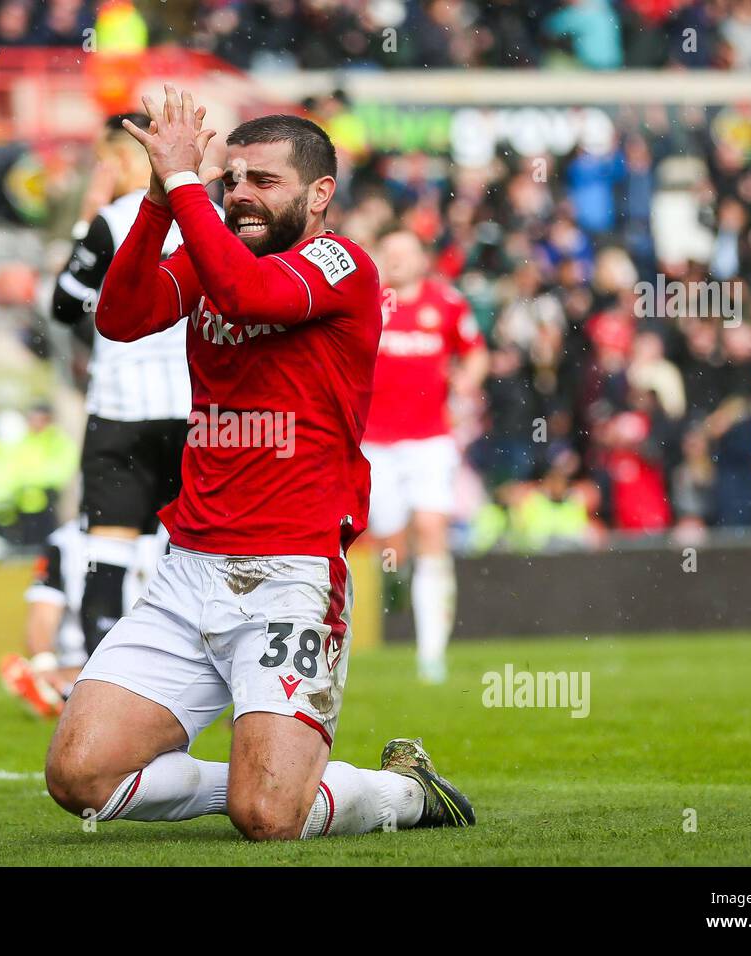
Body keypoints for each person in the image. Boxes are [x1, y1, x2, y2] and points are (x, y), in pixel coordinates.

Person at [44, 86, 476, 841]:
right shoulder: (219, 255)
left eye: (262, 181)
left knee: (271, 819)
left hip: (289, 575)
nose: (239, 195)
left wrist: (187, 188)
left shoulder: (341, 261)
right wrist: (156, 200)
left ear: (319, 194)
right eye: (230, 178)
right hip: (189, 569)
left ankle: (404, 793)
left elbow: (245, 299)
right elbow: (119, 316)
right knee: (80, 777)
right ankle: (260, 782)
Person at [50, 113, 221, 658]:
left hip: (124, 412)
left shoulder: (113, 221)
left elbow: (62, 306)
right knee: (189, 555)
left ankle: (104, 681)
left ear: (125, 160)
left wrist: (85, 222)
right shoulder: (216, 219)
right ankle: (192, 676)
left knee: (108, 550)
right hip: (199, 414)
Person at [363, 229, 488, 684]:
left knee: (433, 529)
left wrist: (465, 383)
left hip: (430, 438)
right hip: (374, 442)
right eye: (389, 253)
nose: (396, 260)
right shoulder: (368, 300)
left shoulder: (448, 303)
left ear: (422, 258)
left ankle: (431, 654)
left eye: (404, 253)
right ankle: (396, 578)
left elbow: (475, 354)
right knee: (391, 543)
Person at [0, 519, 167, 718]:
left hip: (152, 660)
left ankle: (66, 697)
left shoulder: (172, 535)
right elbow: (43, 612)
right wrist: (44, 663)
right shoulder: (64, 541)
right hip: (80, 662)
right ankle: (62, 690)